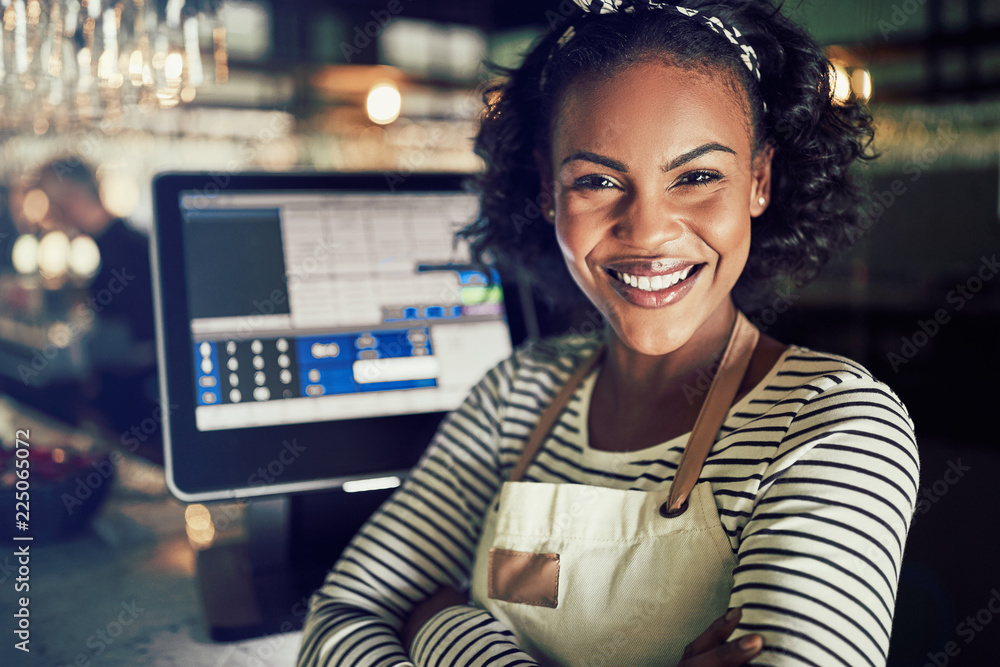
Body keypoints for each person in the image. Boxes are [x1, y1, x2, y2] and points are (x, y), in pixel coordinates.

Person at [297, 1, 919, 665]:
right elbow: (340, 622)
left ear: (758, 181)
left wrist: (446, 627)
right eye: (596, 180)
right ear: (547, 189)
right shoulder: (514, 396)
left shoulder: (834, 424)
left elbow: (386, 624)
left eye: (698, 176)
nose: (648, 230)